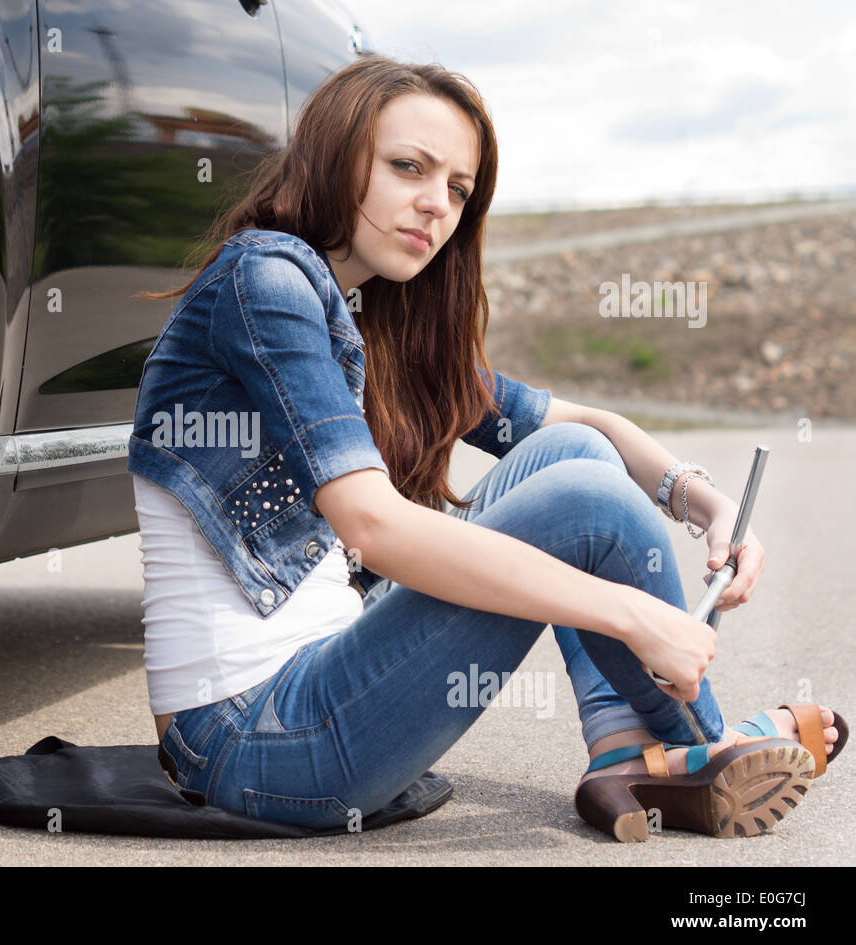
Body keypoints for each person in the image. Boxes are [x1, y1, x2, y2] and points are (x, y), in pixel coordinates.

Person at [128, 54, 843, 842]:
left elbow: (580, 423)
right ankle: (703, 742)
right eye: (408, 168)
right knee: (588, 503)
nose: (436, 205)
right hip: (255, 739)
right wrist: (635, 616)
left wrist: (699, 498)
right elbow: (374, 528)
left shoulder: (369, 309)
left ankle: (623, 747)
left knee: (570, 452)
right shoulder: (267, 282)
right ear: (335, 157)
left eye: (459, 190)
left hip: (325, 683)